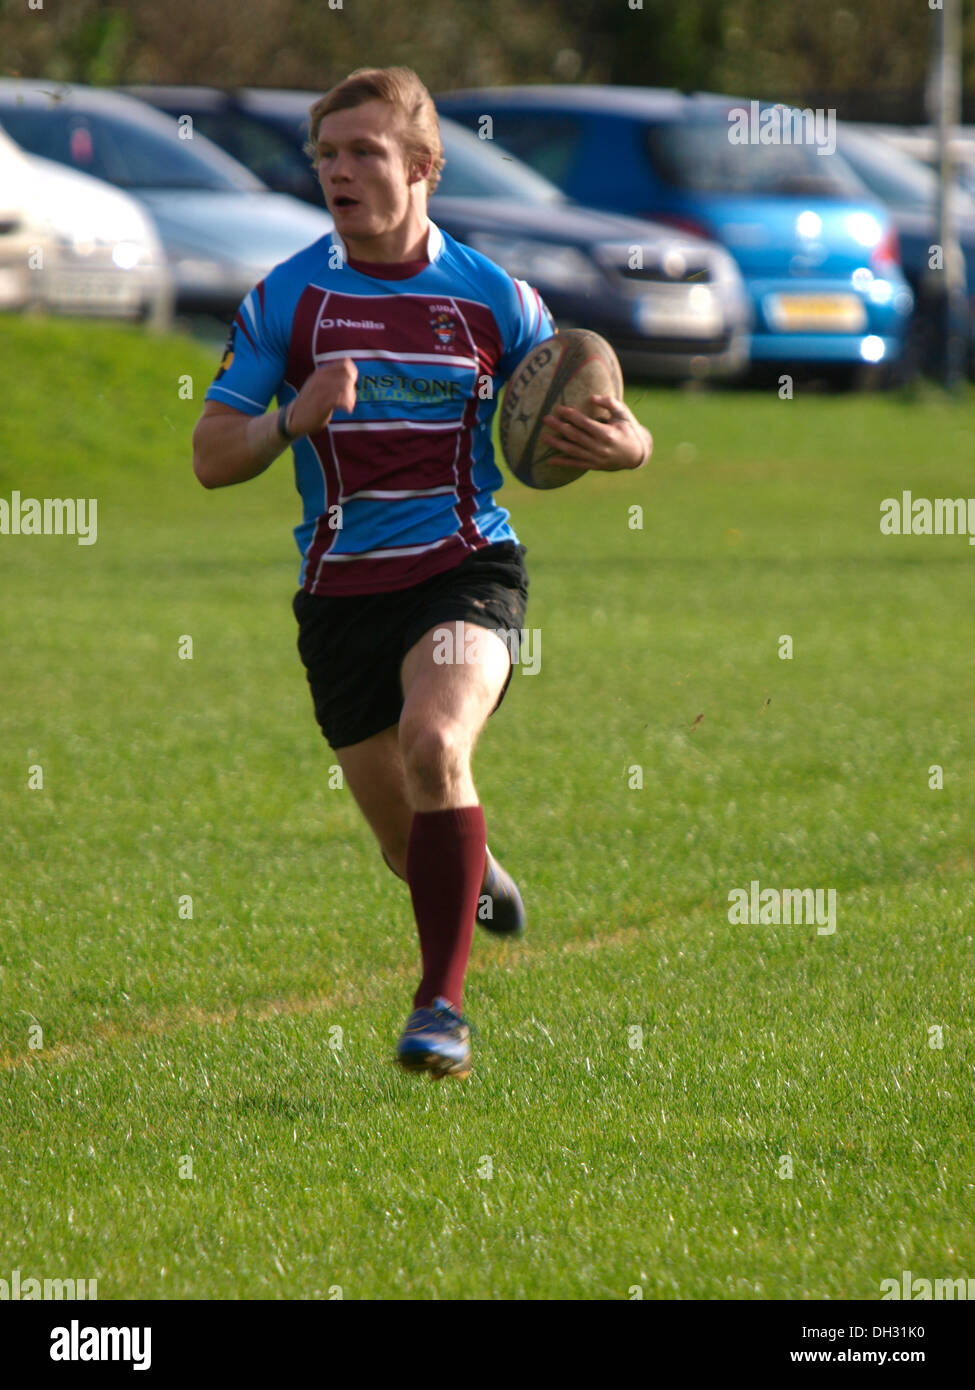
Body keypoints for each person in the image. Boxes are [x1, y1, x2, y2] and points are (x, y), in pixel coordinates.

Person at [191, 66, 652, 1080]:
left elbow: (593, 397)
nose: (340, 172)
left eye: (364, 152)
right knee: (409, 852)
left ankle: (440, 1009)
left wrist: (628, 446)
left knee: (437, 740)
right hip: (340, 598)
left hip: (465, 568)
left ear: (425, 167)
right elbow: (212, 454)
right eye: (327, 155)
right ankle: (467, 863)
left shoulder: (493, 298)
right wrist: (287, 420)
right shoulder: (291, 299)